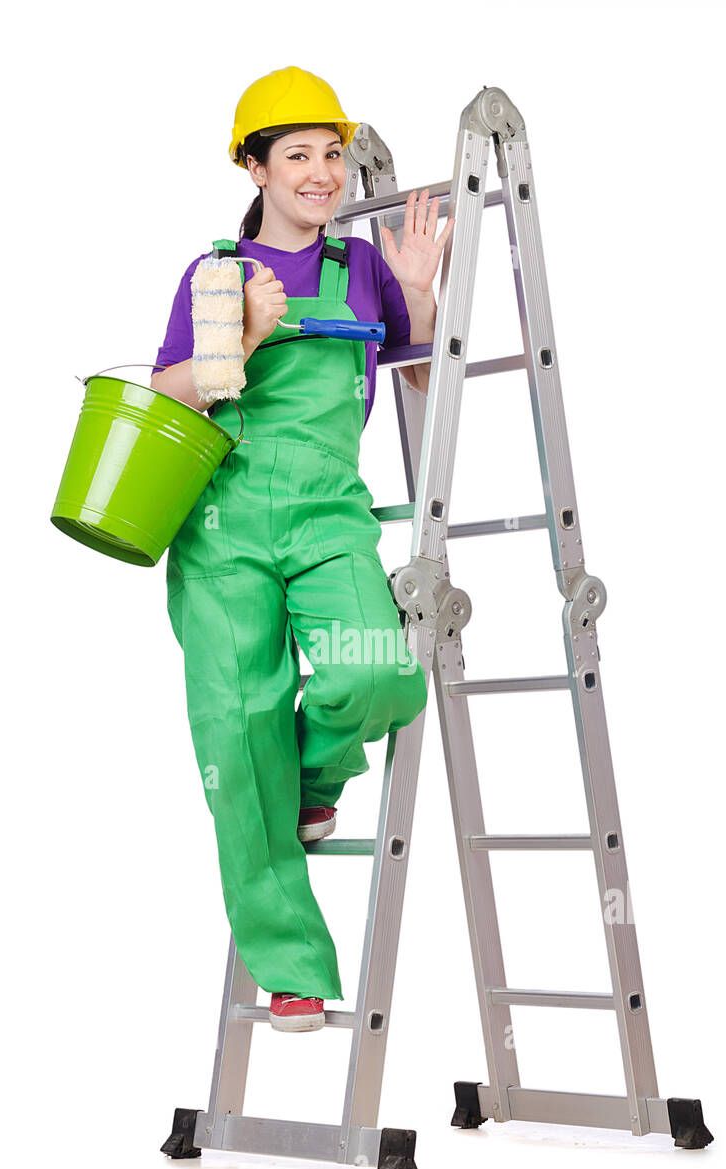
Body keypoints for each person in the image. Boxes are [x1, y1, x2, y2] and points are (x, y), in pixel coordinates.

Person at [150, 67, 454, 1033]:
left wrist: (416, 296)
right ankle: (291, 968)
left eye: (331, 154)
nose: (321, 174)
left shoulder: (360, 269)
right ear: (254, 167)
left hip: (329, 517)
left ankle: (317, 774)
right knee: (237, 747)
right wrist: (229, 338)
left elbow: (417, 384)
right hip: (222, 527)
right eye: (297, 157)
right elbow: (165, 399)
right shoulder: (214, 275)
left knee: (378, 678)